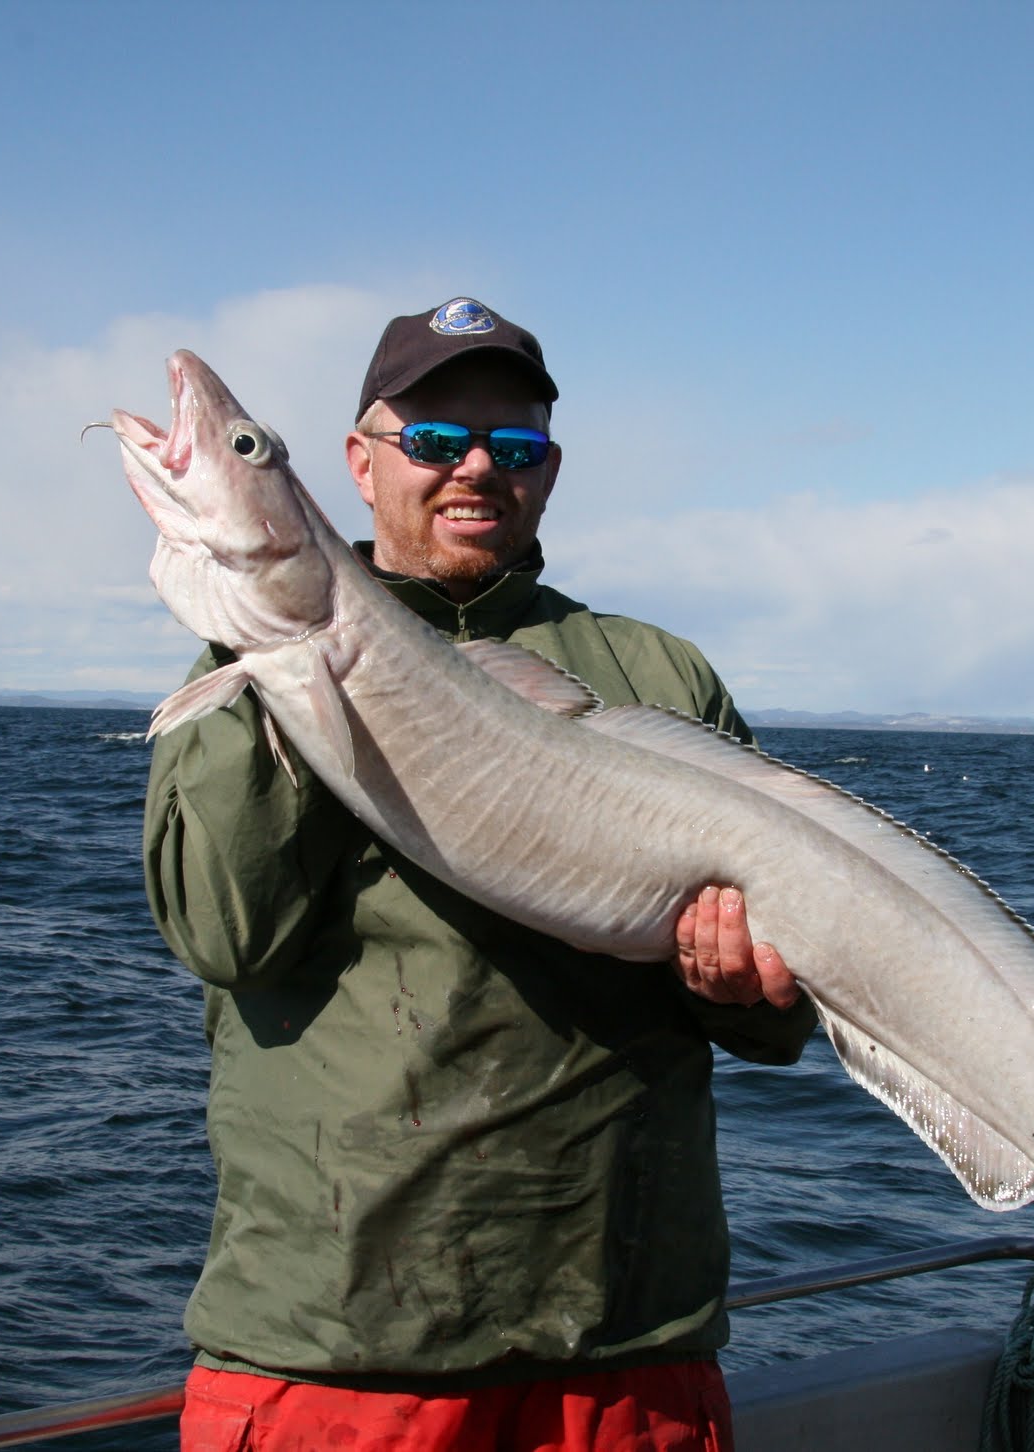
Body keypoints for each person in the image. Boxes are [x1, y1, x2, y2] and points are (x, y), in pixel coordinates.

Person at [145, 298, 816, 1451]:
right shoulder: (241, 663)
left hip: (624, 1342)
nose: (472, 469)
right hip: (339, 1337)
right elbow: (223, 935)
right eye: (432, 440)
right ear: (358, 464)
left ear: (547, 473)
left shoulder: (655, 673)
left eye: (511, 449)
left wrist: (740, 985)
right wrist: (274, 657)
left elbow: (774, 1027)